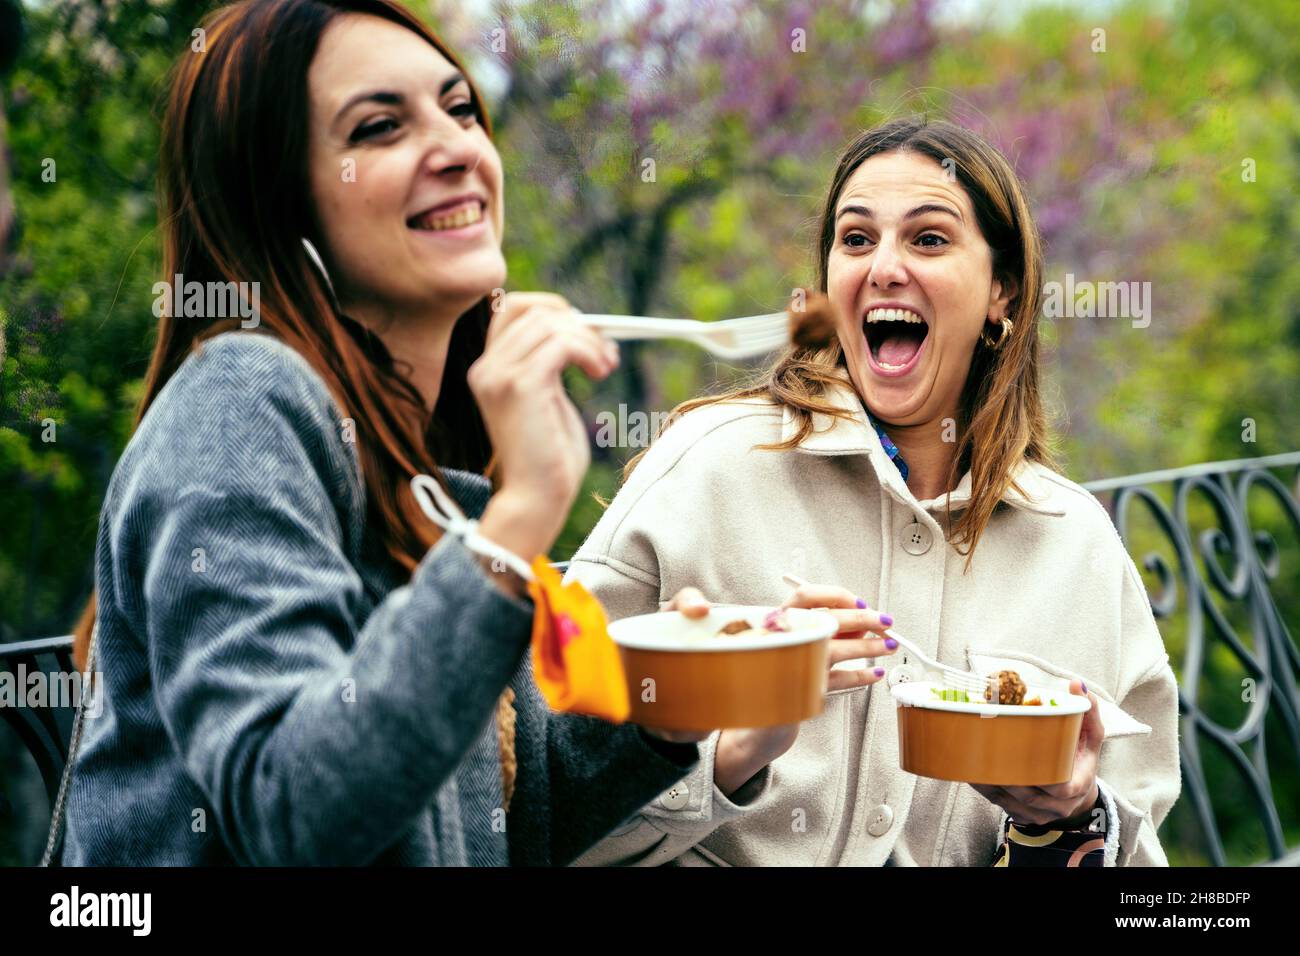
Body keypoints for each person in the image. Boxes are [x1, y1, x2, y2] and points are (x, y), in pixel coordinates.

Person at [56, 0, 707, 866]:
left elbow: (504, 817)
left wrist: (672, 711)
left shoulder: (423, 447)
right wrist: (515, 529)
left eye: (460, 108)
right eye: (378, 127)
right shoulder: (242, 403)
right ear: (278, 202)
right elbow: (293, 812)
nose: (457, 149)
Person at [567, 118, 1181, 866]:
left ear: (1002, 291)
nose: (884, 267)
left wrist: (1071, 819)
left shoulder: (1078, 546)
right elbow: (546, 805)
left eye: (928, 240)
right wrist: (730, 752)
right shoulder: (706, 468)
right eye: (856, 240)